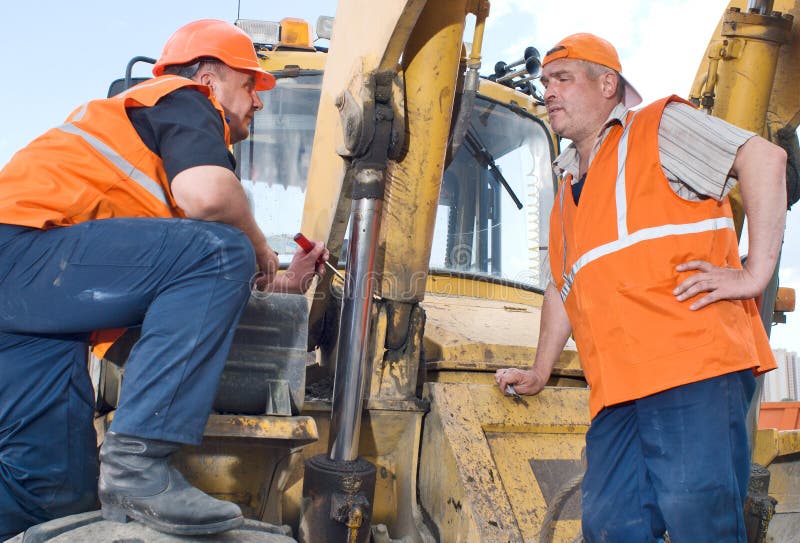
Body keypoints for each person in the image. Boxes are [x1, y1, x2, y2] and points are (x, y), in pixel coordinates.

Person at [0, 19, 328, 538]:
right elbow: (211, 199)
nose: (258, 102)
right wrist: (260, 246)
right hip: (21, 253)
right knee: (224, 249)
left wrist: (283, 285)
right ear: (208, 77)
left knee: (49, 495)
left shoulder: (147, 161)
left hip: (34, 305)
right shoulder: (181, 97)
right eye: (250, 83)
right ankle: (138, 464)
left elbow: (187, 291)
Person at [495, 33, 787, 542]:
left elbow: (764, 158)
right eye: (546, 83)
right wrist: (541, 369)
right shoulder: (567, 191)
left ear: (608, 84)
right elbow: (565, 288)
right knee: (610, 527)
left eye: (563, 79)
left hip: (692, 371)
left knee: (701, 524)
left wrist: (755, 274)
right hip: (617, 389)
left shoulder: (658, 127)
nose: (550, 92)